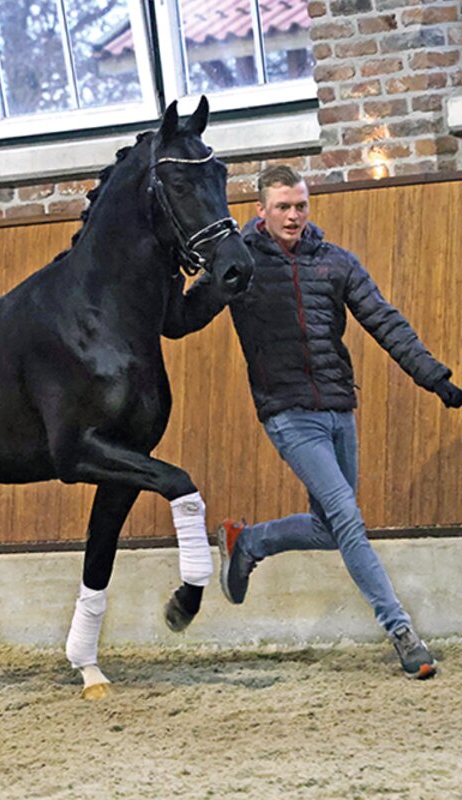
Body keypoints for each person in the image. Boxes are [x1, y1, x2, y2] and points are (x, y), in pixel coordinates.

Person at [163, 164, 462, 679]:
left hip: (340, 410)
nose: (294, 215)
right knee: (348, 518)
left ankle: (248, 542)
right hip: (288, 414)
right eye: (283, 206)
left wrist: (434, 378)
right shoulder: (242, 265)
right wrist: (174, 269)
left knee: (329, 528)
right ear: (261, 210)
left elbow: (385, 321)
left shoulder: (334, 262)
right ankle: (401, 631)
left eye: (300, 205)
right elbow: (181, 321)